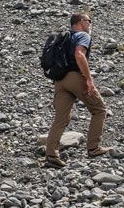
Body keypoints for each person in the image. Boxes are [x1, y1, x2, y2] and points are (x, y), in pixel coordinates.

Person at [42, 11, 107, 166]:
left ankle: (51, 156)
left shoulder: (64, 37)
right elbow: (79, 55)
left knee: (61, 118)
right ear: (80, 22)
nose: (90, 24)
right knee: (99, 110)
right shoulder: (83, 35)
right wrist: (89, 79)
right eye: (88, 21)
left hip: (60, 80)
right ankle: (93, 148)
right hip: (75, 77)